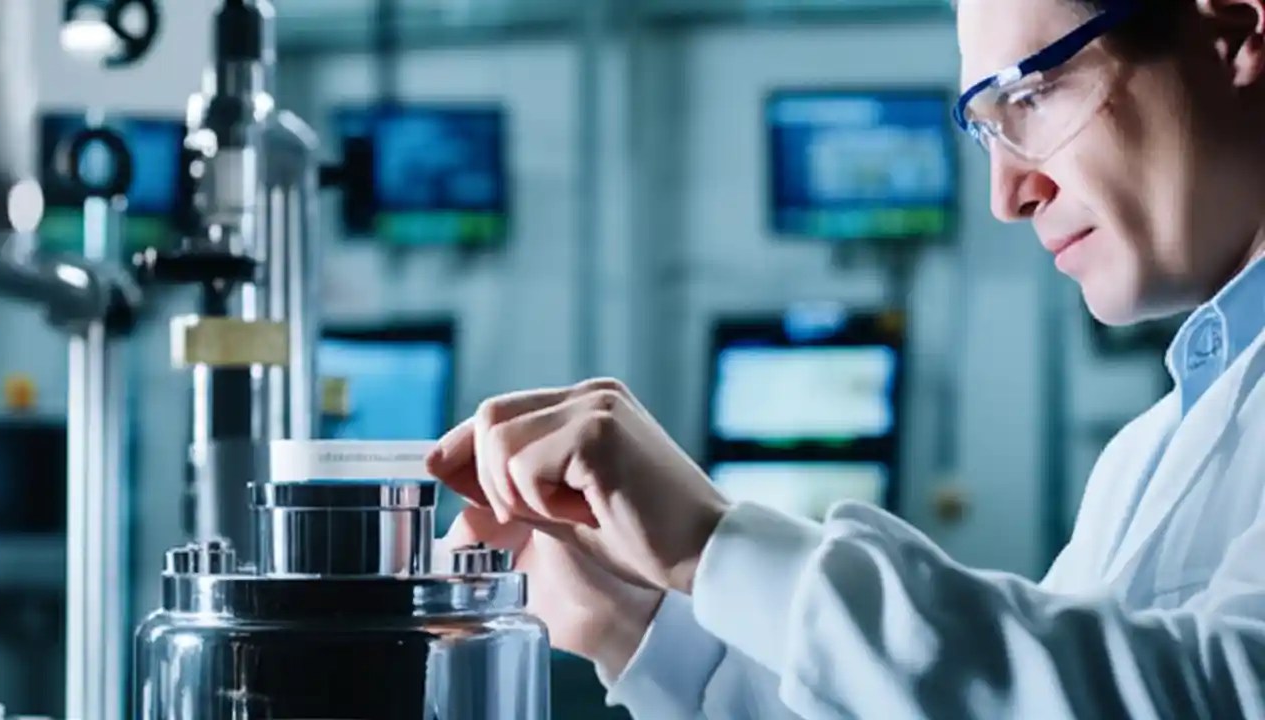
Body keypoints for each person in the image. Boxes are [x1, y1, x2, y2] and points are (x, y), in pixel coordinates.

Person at [427, 0, 1265, 715]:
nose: (1007, 195)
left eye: (1031, 96)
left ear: (1234, 32)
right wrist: (646, 625)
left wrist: (716, 546)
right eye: (986, 131)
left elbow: (1219, 694)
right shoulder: (1148, 451)